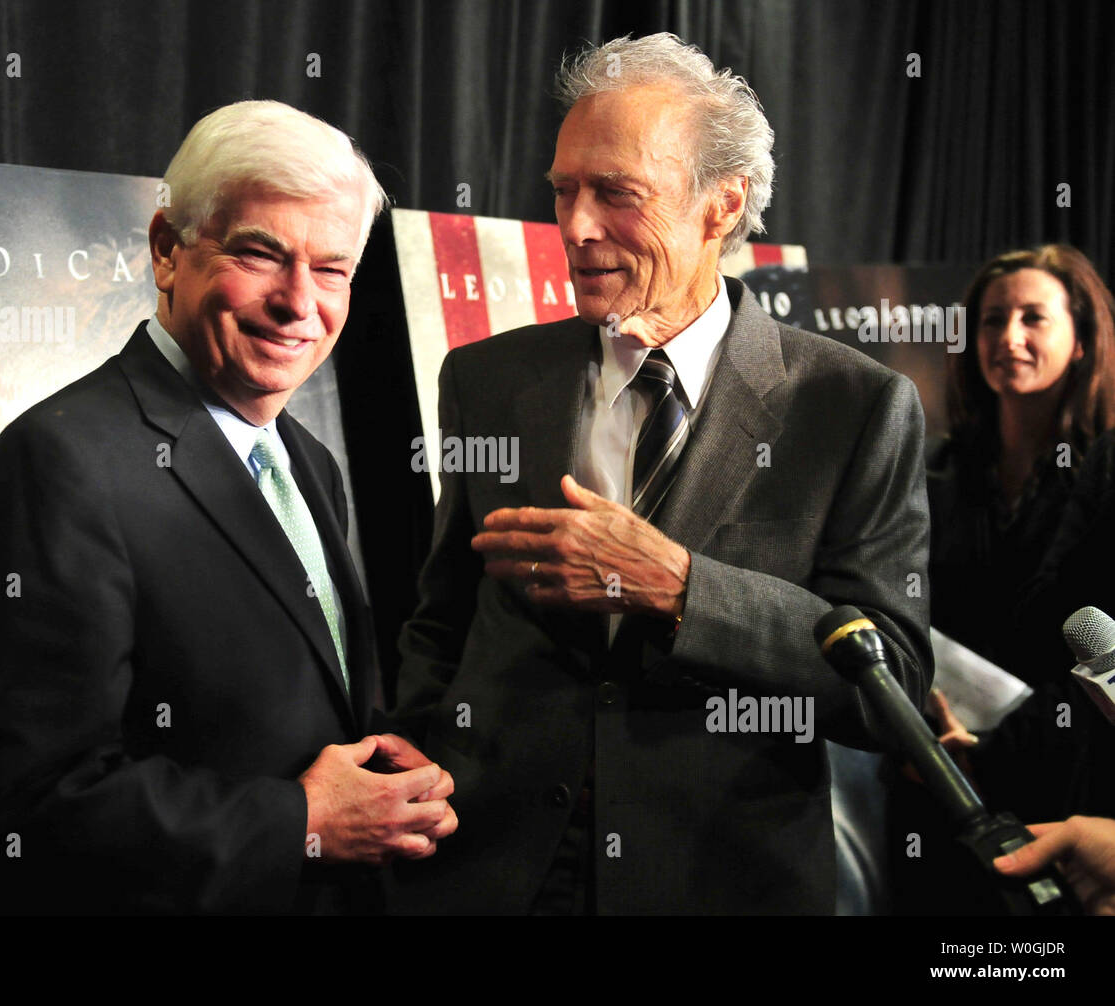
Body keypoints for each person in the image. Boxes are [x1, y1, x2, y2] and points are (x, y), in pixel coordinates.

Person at [385, 34, 932, 915]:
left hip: (717, 879)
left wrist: (680, 588)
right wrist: (416, 744)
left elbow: (890, 683)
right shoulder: (486, 380)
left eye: (616, 194)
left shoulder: (853, 406)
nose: (575, 226)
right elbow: (442, 613)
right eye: (563, 190)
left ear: (722, 206)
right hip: (487, 869)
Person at [0, 100, 455, 915]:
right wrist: (303, 820)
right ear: (167, 251)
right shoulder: (59, 464)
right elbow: (24, 808)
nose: (298, 302)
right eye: (260, 253)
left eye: (331, 269)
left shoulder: (310, 466)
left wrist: (389, 781)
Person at [927, 244, 1115, 682]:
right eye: (993, 320)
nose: (1010, 337)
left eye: (1034, 317)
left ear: (1082, 340)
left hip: (1064, 733)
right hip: (935, 724)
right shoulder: (935, 465)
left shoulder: (1104, 473)